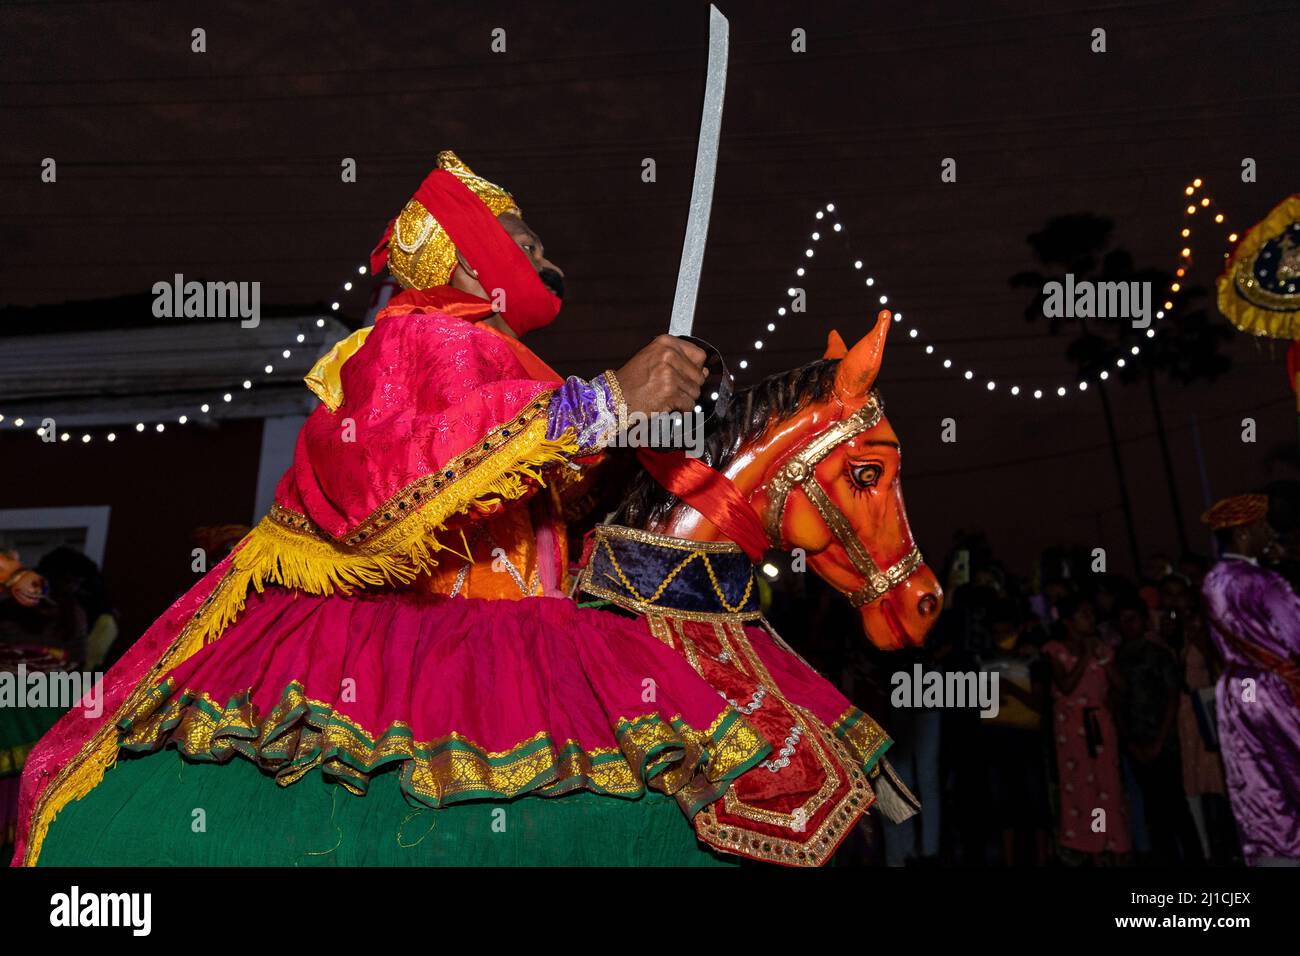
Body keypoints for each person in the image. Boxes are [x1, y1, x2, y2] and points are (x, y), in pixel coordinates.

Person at [12, 151, 906, 868]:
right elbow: (399, 478)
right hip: (431, 634)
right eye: (522, 234)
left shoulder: (503, 355)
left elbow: (549, 493)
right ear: (467, 254)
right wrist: (607, 400)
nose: (545, 249)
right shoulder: (419, 335)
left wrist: (629, 428)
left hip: (540, 627)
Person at [1200, 493, 1300, 866]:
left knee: (1257, 778)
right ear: (1244, 532)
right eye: (1263, 527)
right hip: (1276, 688)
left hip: (1237, 689)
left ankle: (1275, 849)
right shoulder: (1264, 582)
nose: (1269, 533)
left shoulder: (1213, 579)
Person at [1112, 592, 1203, 864]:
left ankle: (1194, 858)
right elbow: (1116, 702)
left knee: (1175, 804)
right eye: (1122, 621)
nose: (1127, 625)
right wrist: (1129, 742)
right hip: (1135, 742)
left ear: (1144, 621)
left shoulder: (1158, 654)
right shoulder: (1116, 657)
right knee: (1153, 807)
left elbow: (1172, 699)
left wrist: (1160, 741)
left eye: (1132, 619)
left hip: (1162, 740)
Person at [1042, 594, 1131, 862]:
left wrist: (1101, 657)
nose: (1090, 619)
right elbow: (1066, 686)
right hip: (1071, 727)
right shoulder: (1054, 650)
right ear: (1069, 622)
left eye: (1091, 614)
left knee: (1108, 784)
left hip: (1100, 723)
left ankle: (1110, 842)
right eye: (1084, 614)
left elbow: (1121, 687)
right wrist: (1084, 655)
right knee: (1080, 786)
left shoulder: (1104, 649)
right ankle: (1087, 844)